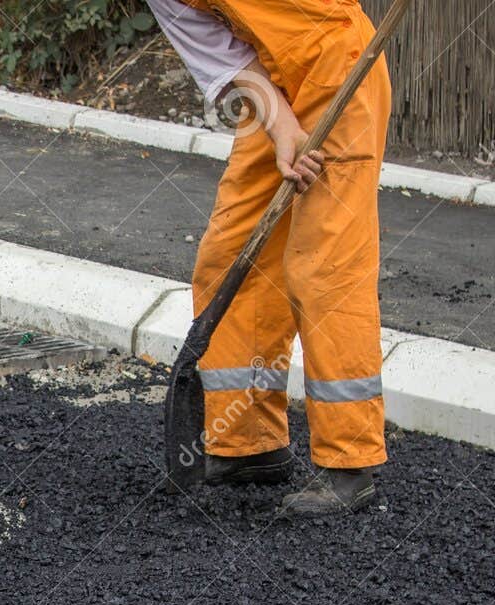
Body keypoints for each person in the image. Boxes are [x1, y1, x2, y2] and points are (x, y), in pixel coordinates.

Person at [147, 0, 392, 518]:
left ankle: (349, 463)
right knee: (230, 253)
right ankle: (247, 443)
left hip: (342, 66)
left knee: (324, 264)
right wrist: (284, 129)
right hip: (274, 87)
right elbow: (231, 61)